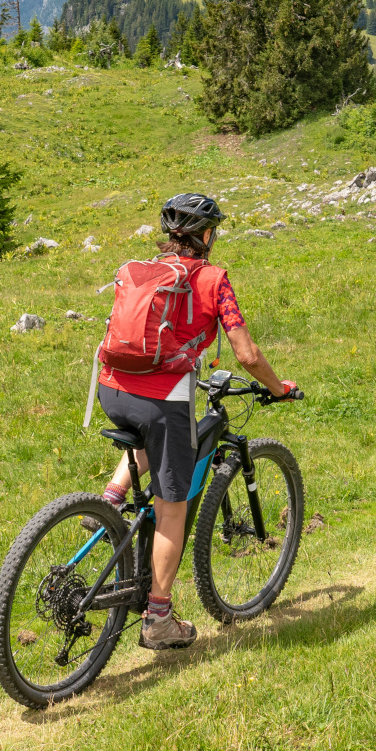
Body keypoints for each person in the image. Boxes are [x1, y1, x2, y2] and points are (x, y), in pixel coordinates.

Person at [91, 192, 293, 650]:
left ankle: (110, 501)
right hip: (161, 400)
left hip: (110, 389)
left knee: (152, 440)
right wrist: (280, 388)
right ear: (206, 236)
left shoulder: (141, 269)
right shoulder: (213, 279)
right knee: (172, 508)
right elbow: (247, 354)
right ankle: (159, 619)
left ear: (170, 236)